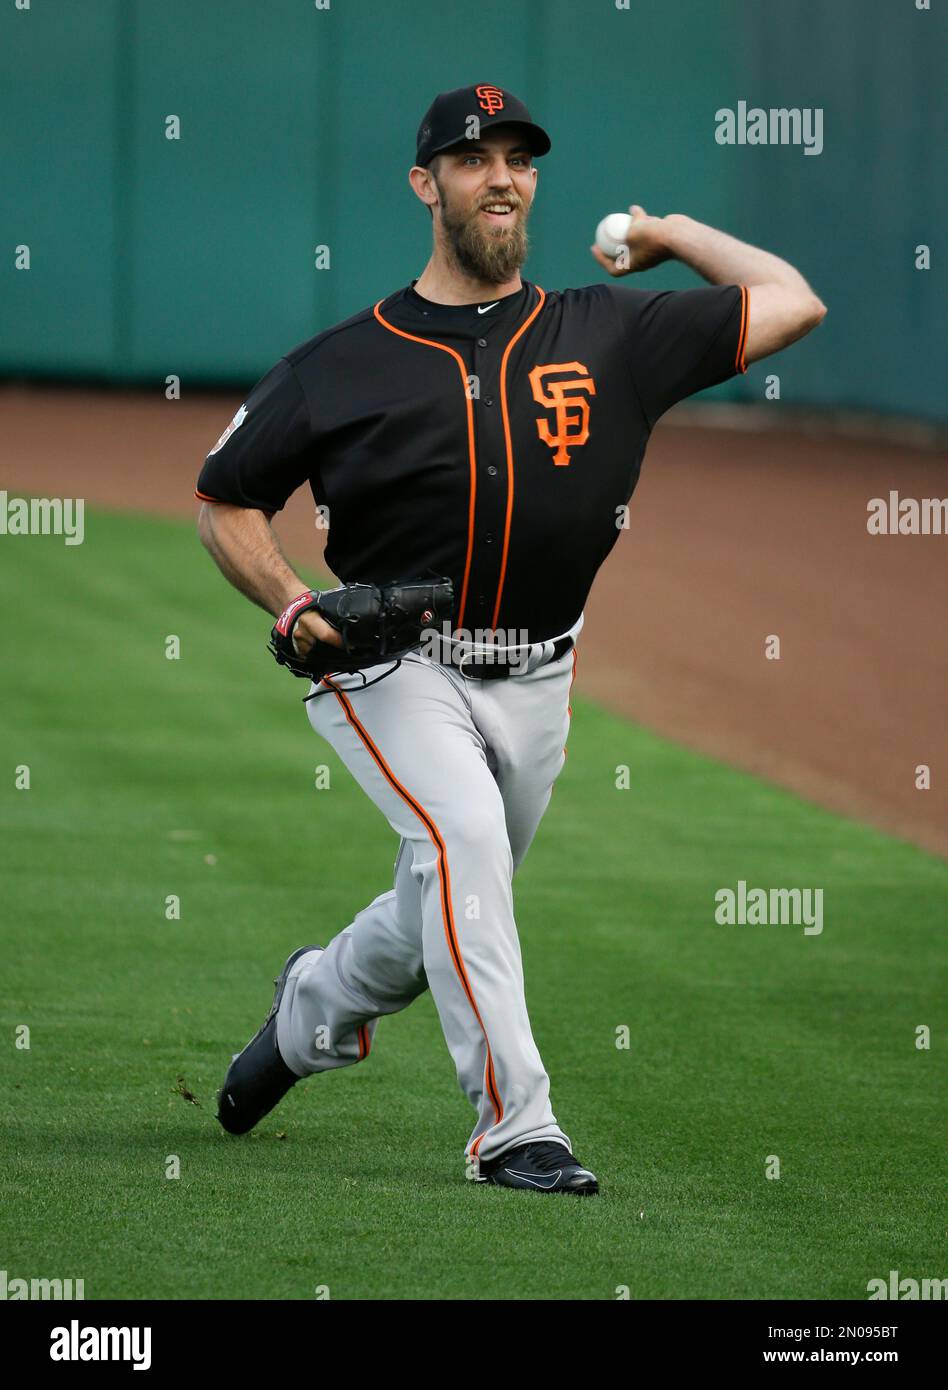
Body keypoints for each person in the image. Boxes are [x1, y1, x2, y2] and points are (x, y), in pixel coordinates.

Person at [195, 84, 826, 1195]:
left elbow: (791, 300)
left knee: (438, 901)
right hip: (394, 666)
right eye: (474, 156)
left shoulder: (612, 333)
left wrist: (669, 233)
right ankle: (514, 1127)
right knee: (466, 845)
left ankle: (311, 1009)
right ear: (424, 182)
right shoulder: (343, 362)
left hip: (540, 677)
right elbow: (225, 502)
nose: (501, 176)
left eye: (519, 158)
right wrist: (297, 605)